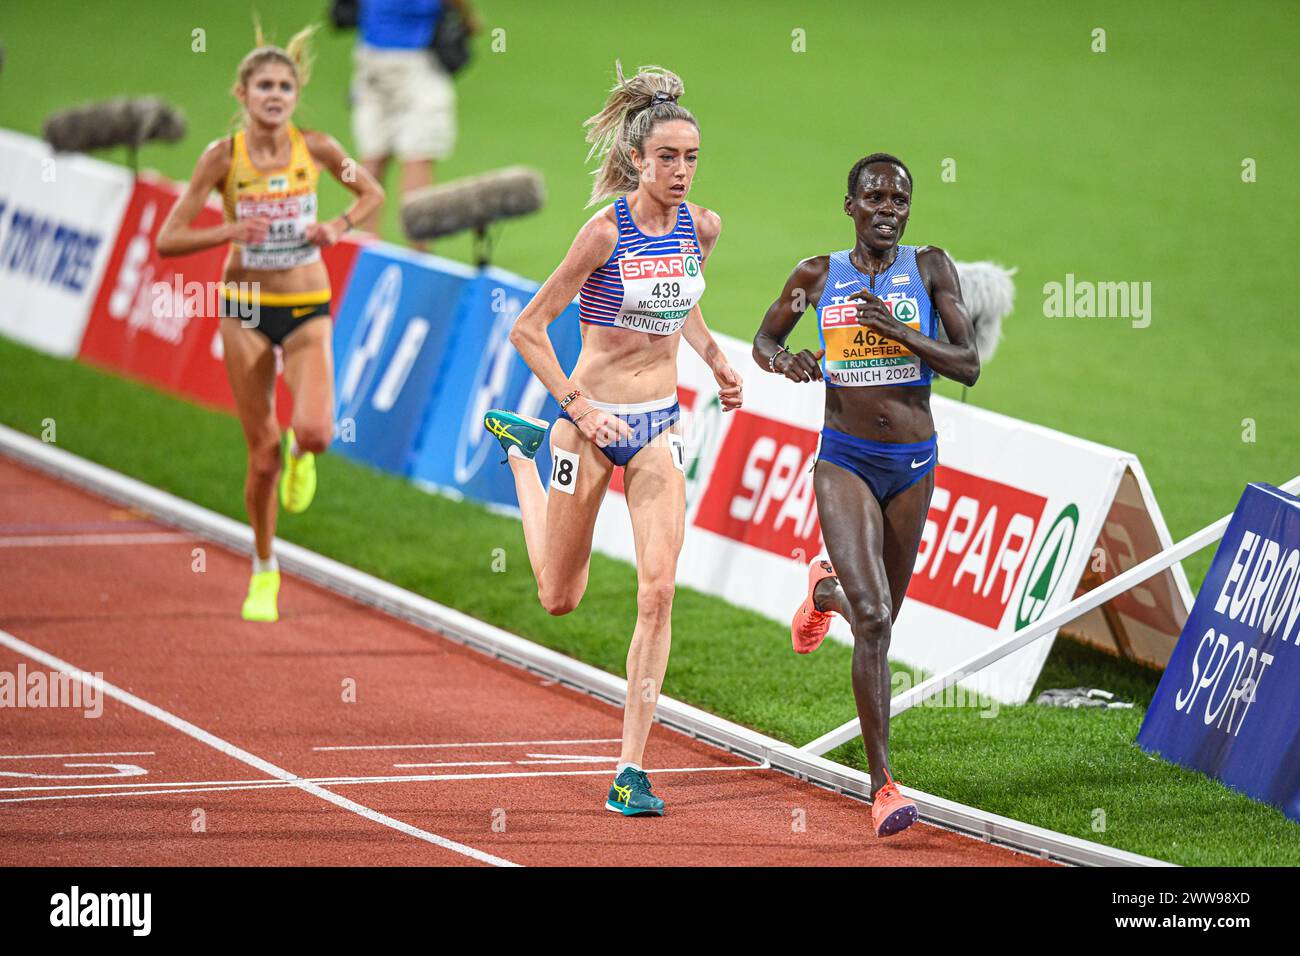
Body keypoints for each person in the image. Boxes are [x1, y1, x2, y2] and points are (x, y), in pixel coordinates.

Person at [483, 64, 742, 817]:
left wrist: (716, 358)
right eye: (668, 158)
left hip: (661, 426)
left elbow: (679, 304)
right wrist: (577, 406)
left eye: (692, 158)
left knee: (658, 591)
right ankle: (521, 455)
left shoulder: (703, 228)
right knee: (559, 597)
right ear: (637, 160)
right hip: (586, 426)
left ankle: (630, 767)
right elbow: (527, 330)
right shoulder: (603, 233)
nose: (683, 172)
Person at [752, 153, 980, 837]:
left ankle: (824, 594)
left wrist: (902, 332)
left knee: (880, 620)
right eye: (875, 199)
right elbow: (765, 337)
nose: (888, 210)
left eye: (899, 200)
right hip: (844, 460)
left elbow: (967, 365)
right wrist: (786, 361)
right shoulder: (818, 276)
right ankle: (883, 787)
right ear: (849, 206)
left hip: (912, 462)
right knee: (875, 620)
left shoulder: (933, 267)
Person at [156, 24, 384, 623]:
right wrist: (229, 230)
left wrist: (337, 227)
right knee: (260, 456)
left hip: (308, 306)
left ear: (295, 92)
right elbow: (169, 239)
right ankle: (264, 569)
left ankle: (302, 450)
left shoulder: (320, 148)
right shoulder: (220, 158)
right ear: (242, 93)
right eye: (264, 85)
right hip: (247, 309)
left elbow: (373, 194)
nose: (276, 95)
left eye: (285, 85)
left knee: (314, 433)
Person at [350, 0, 480, 247]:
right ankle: (418, 257)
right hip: (416, 60)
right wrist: (468, 18)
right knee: (417, 157)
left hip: (370, 55)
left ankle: (363, 251)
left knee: (374, 155)